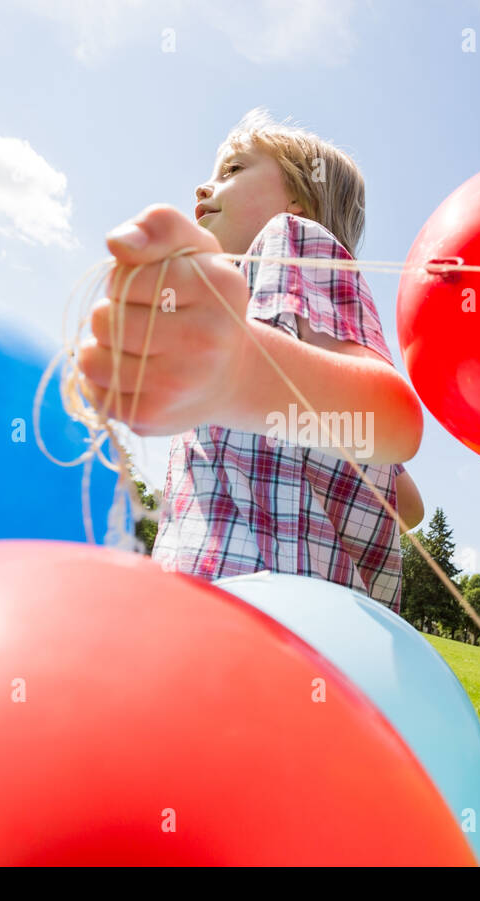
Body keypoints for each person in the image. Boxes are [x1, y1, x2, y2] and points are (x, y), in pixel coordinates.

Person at [79, 109, 423, 611]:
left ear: (300, 200)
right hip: (207, 596)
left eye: (234, 170)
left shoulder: (294, 243)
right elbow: (406, 501)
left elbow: (393, 422)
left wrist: (238, 373)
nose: (203, 187)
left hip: (282, 613)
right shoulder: (229, 313)